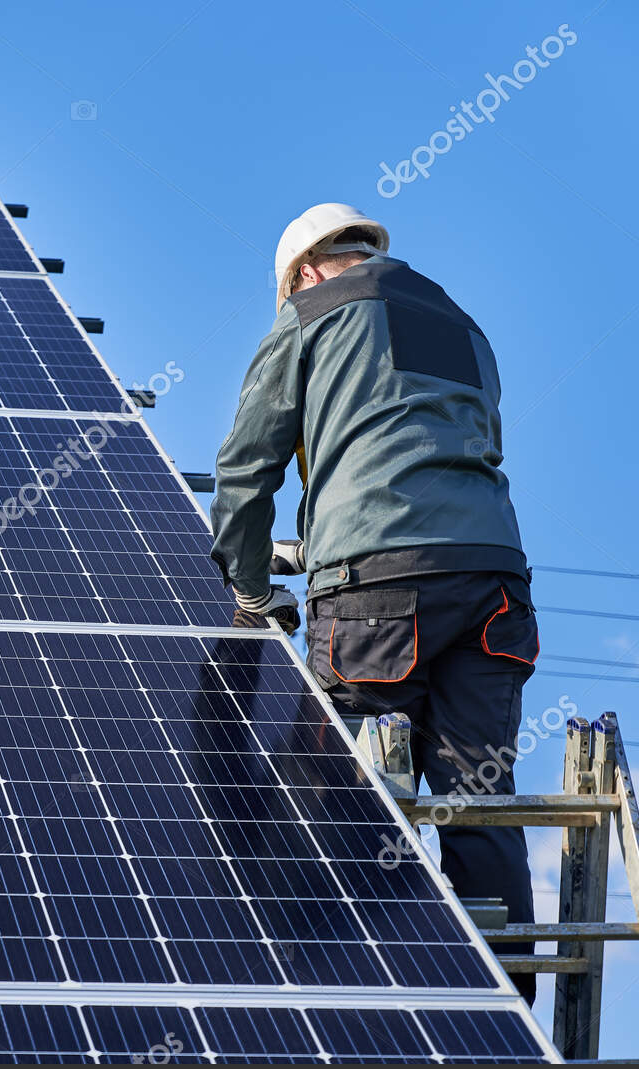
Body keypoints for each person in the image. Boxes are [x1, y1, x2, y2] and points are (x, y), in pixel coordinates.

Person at [209, 203, 540, 1003]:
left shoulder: (313, 312)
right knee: (476, 797)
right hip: (493, 580)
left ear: (305, 272)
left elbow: (246, 467)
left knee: (339, 790)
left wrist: (251, 587)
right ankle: (509, 1009)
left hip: (377, 591)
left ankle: (351, 995)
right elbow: (414, 446)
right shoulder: (459, 322)